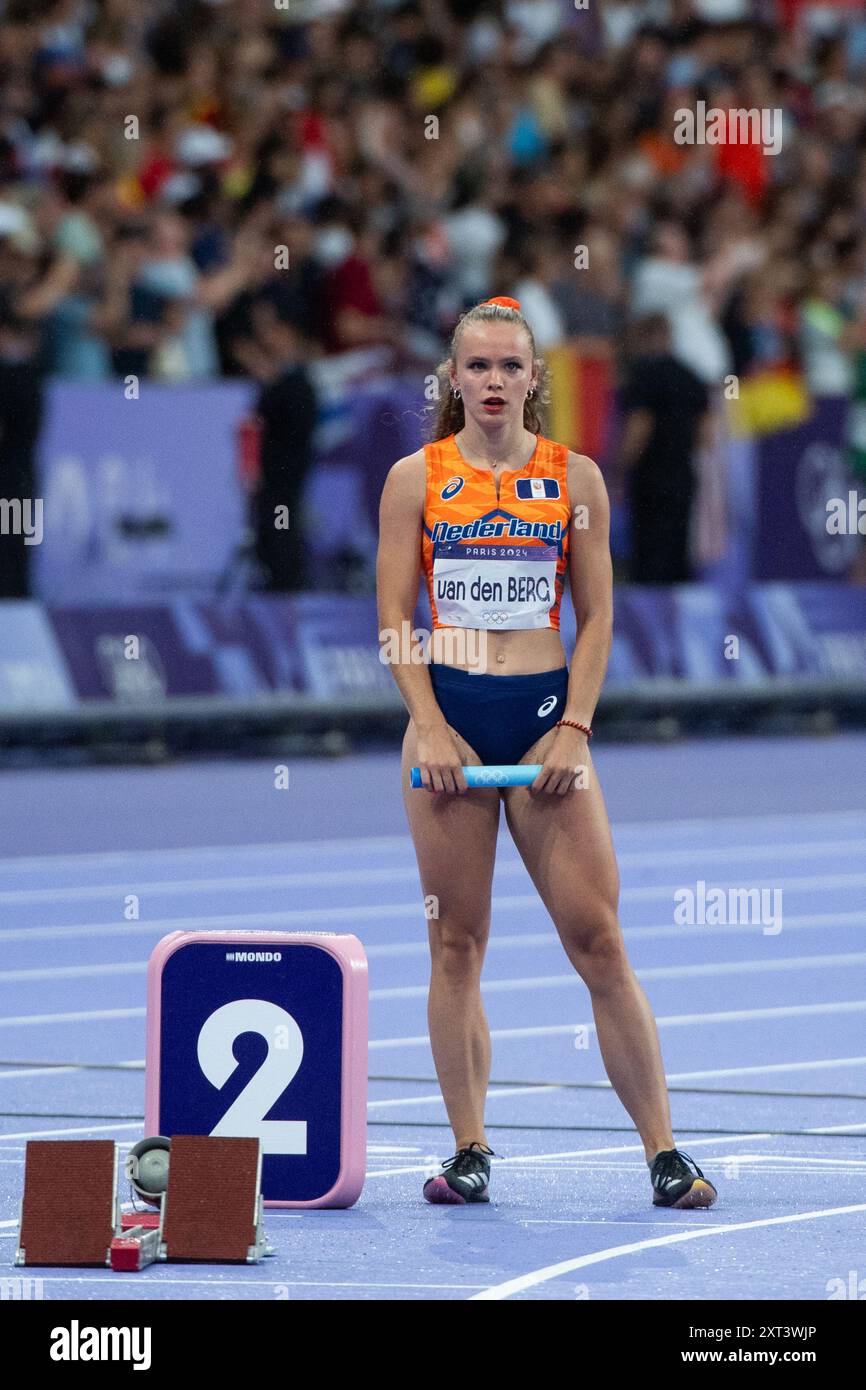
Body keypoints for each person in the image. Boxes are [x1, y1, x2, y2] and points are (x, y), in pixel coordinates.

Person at [376, 295, 718, 1209]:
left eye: (509, 367)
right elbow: (393, 622)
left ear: (535, 380)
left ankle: (665, 1153)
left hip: (542, 722)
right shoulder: (416, 478)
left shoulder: (576, 480)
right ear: (453, 379)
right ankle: (470, 1149)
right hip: (445, 720)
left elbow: (600, 616)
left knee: (599, 941)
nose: (492, 381)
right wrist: (429, 721)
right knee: (457, 943)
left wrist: (574, 725)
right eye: (476, 366)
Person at [619, 312, 713, 583]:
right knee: (677, 550)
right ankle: (675, 612)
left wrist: (623, 463)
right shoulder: (692, 377)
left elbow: (640, 424)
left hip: (651, 476)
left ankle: (648, 616)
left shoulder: (643, 374)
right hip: (682, 475)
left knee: (648, 551)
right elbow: (706, 434)